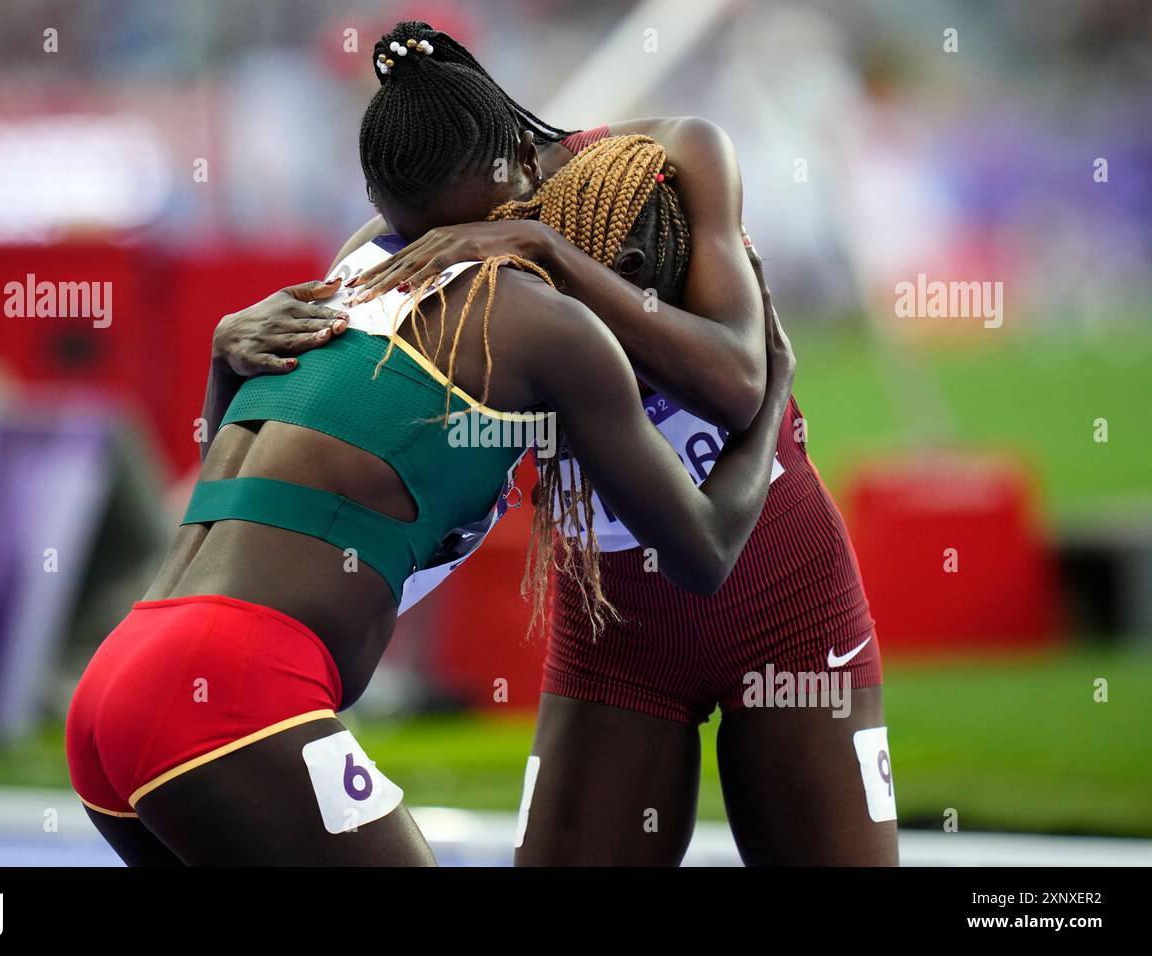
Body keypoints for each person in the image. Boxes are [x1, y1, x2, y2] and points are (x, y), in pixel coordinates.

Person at [66, 30, 794, 866]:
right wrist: (774, 391)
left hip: (120, 683)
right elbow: (702, 553)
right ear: (525, 166)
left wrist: (220, 360)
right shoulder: (542, 322)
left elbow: (231, 480)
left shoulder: (343, 278)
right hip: (232, 696)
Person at [212, 21, 896, 866]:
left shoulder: (674, 156)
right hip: (612, 622)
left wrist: (546, 251)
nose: (455, 264)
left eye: (473, 236)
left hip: (782, 599)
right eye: (411, 236)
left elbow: (738, 380)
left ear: (514, 168)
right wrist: (239, 344)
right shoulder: (394, 245)